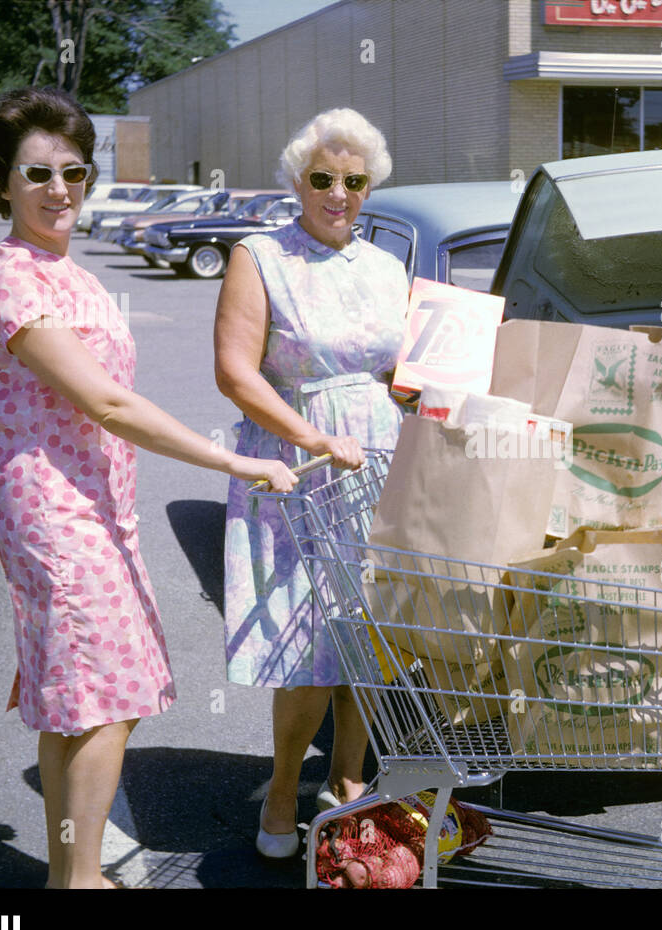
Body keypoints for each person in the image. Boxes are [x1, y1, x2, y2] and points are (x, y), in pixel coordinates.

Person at [0, 86, 297, 888]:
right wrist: (237, 461)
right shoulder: (12, 279)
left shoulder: (65, 272)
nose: (58, 189)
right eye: (37, 173)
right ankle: (77, 879)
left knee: (82, 696)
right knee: (103, 696)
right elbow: (108, 402)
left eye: (74, 171)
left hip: (95, 507)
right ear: (2, 180)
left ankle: (69, 871)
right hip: (54, 511)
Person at [213, 108, 408, 858]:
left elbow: (403, 369)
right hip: (297, 464)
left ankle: (350, 780)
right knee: (305, 642)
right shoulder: (260, 256)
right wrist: (313, 438)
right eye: (323, 178)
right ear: (298, 180)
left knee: (370, 630)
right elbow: (234, 370)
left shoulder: (386, 267)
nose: (338, 192)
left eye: (354, 181)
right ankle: (287, 785)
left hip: (378, 460)